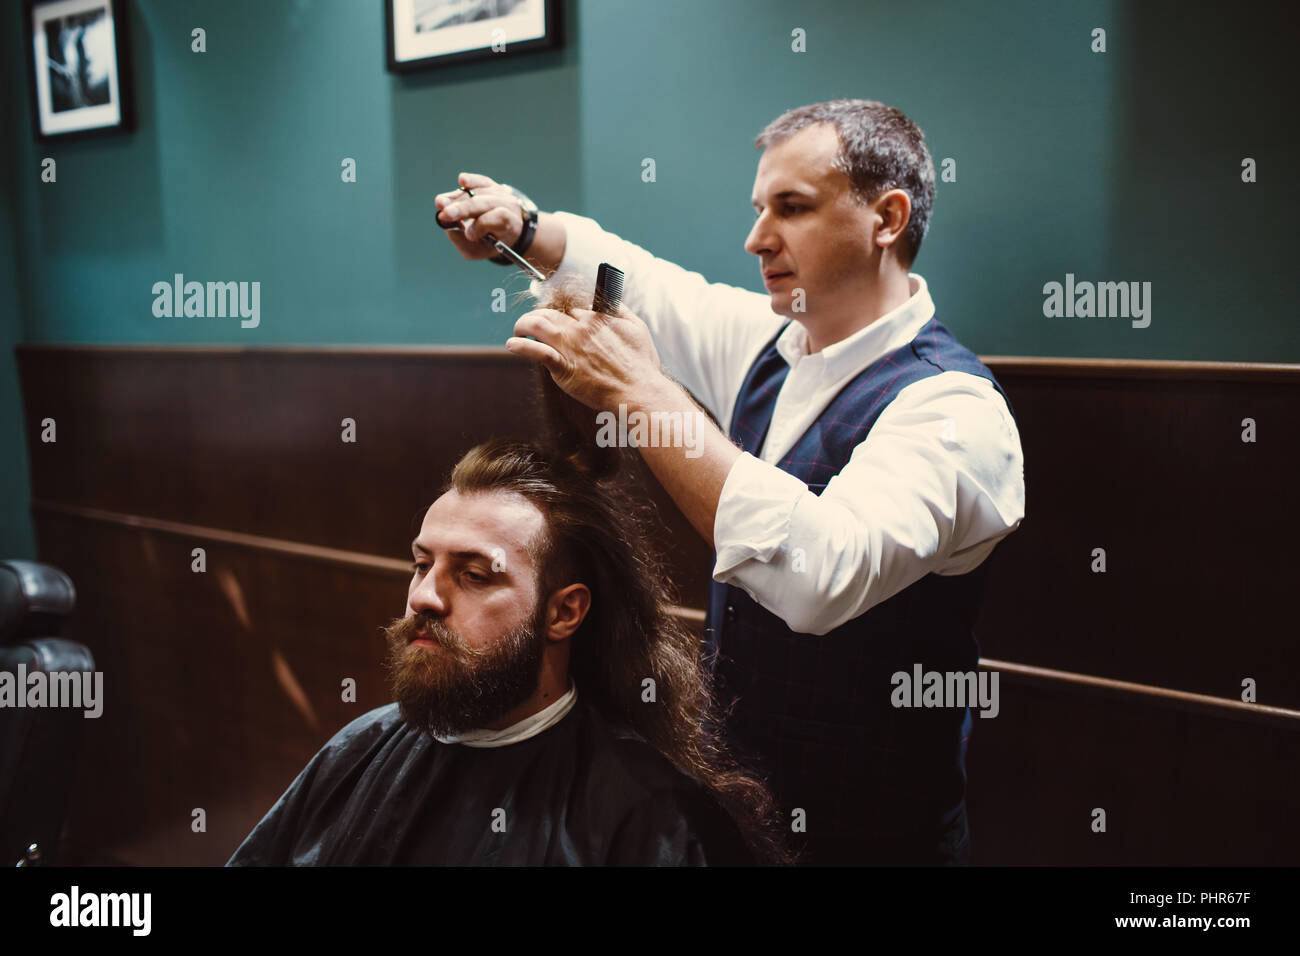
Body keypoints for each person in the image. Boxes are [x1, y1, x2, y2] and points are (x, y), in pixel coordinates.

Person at [436, 98, 1026, 865]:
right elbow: (636, 277)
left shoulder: (954, 411)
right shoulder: (772, 342)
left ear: (887, 218)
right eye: (757, 209)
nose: (756, 239)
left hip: (879, 839)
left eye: (792, 208)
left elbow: (819, 576)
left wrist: (642, 396)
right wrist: (523, 228)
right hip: (738, 814)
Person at [227, 439, 785, 866]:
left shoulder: (649, 816)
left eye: (472, 575)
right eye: (422, 565)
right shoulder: (359, 748)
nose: (422, 597)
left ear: (563, 612)